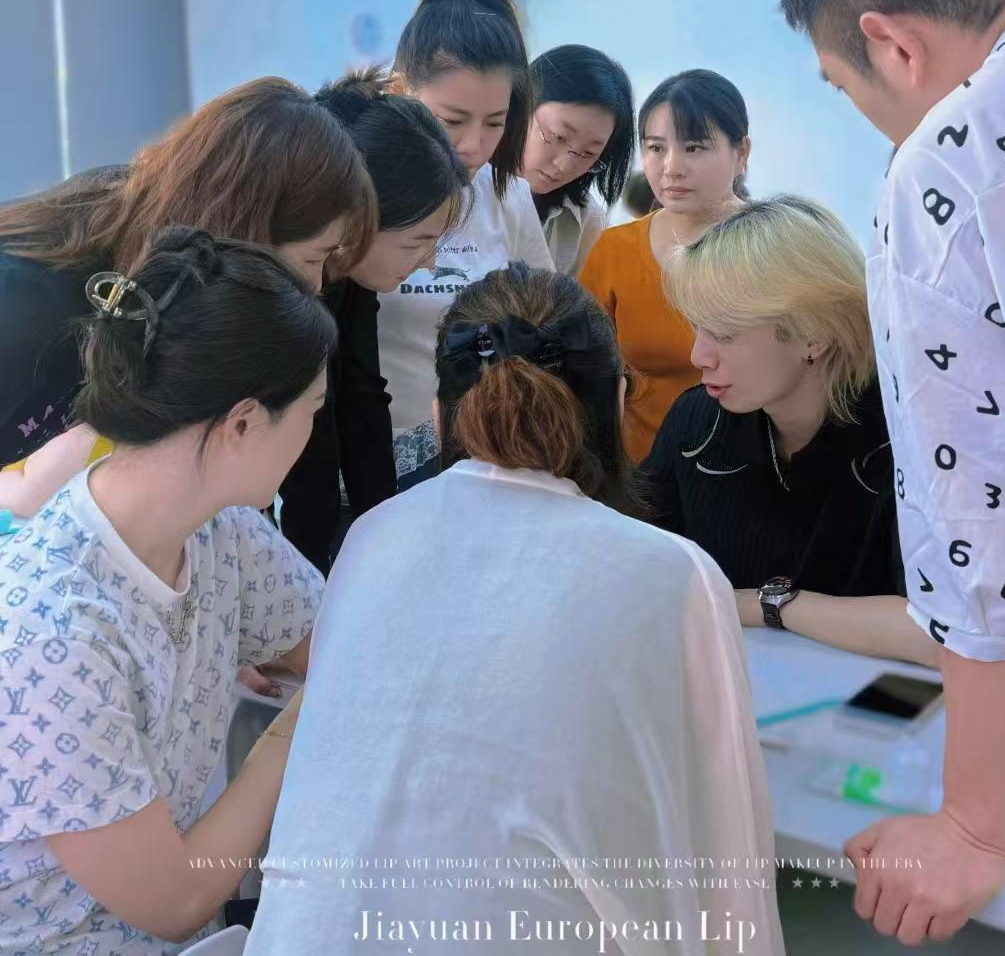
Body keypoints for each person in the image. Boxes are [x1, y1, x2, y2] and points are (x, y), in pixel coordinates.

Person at [248, 263, 783, 956]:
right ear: (618, 401)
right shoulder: (672, 574)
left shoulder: (372, 536)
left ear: (439, 412)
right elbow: (730, 864)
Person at [780, 0, 1005, 943]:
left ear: (891, 45)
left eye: (844, 85)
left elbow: (985, 526)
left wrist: (970, 828)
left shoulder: (953, 163)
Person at [0, 227, 336, 955]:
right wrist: (296, 726)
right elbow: (175, 900)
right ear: (244, 422)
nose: (316, 431)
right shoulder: (49, 627)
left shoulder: (221, 531)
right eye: (313, 409)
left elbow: (342, 642)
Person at [0, 77, 373, 487]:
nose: (315, 286)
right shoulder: (31, 303)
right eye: (314, 259)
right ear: (249, 232)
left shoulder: (142, 245)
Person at [646, 194, 939, 668]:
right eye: (698, 328)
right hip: (728, 690)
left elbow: (943, 632)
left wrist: (770, 605)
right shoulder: (696, 423)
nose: (699, 356)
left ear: (812, 334)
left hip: (879, 704)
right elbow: (638, 570)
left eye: (725, 332)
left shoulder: (909, 436)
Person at [277, 69, 471, 572]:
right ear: (360, 217)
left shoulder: (350, 276)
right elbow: (307, 448)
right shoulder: (278, 283)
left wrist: (383, 542)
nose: (429, 263)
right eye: (417, 243)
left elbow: (362, 397)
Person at [377, 0, 553, 484]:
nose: (473, 146)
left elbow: (545, 321)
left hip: (482, 460)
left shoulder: (507, 195)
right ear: (399, 91)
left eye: (495, 122)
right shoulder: (362, 196)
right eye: (451, 121)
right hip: (368, 464)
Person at [580, 69, 750, 463]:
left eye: (694, 147)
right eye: (656, 148)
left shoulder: (780, 247)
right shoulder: (614, 251)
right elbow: (582, 376)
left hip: (755, 472)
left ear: (741, 153)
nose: (671, 166)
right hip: (640, 478)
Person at [521, 44, 635, 275]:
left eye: (589, 154)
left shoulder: (587, 224)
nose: (564, 166)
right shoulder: (456, 192)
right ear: (521, 106)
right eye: (559, 137)